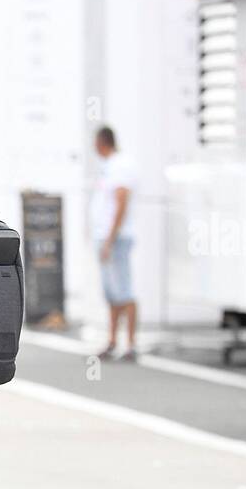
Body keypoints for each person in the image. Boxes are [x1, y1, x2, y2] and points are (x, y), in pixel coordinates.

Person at [91, 125, 139, 360]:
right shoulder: (109, 166)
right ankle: (112, 340)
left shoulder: (120, 165)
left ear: (102, 142)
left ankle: (130, 344)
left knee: (124, 290)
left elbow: (121, 203)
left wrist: (110, 238)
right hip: (107, 237)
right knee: (111, 292)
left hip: (116, 238)